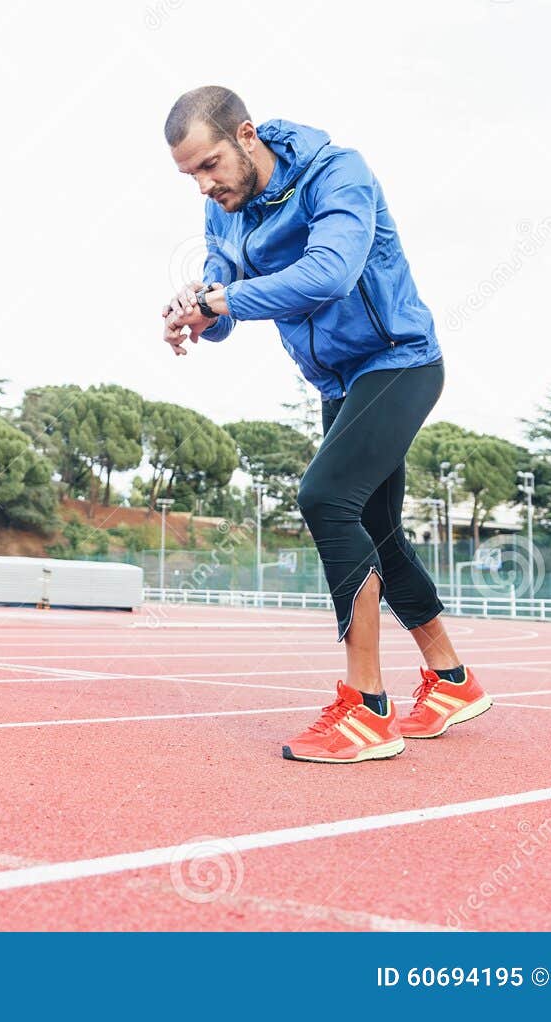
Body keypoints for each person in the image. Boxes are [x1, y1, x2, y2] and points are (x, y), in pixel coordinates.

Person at [161, 86, 490, 763]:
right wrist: (197, 309)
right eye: (190, 174)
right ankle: (452, 680)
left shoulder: (339, 172)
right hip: (338, 382)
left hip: (399, 360)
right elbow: (225, 300)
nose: (204, 185)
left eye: (210, 164)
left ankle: (367, 707)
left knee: (325, 498)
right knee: (378, 533)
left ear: (247, 135)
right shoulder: (223, 216)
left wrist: (225, 298)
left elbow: (330, 274)